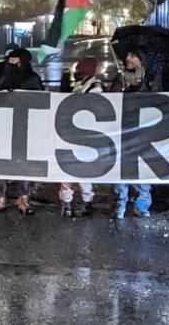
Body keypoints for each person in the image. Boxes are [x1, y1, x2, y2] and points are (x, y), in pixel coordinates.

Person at [0, 48, 44, 215]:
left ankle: (24, 197)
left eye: (14, 61)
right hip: (2, 125)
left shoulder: (32, 78)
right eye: (8, 60)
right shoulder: (1, 74)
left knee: (24, 160)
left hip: (25, 126)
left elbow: (41, 101)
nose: (9, 63)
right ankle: (0, 197)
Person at [114, 50, 156, 219]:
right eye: (127, 55)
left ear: (141, 59)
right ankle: (120, 204)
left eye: (132, 56)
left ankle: (141, 205)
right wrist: (121, 87)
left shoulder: (151, 78)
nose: (127, 59)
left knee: (143, 168)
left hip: (144, 132)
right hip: (124, 130)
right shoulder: (120, 77)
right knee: (122, 168)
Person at [59, 57, 101, 218]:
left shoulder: (95, 87)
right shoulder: (80, 85)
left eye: (79, 71)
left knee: (84, 171)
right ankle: (67, 203)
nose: (76, 73)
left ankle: (86, 202)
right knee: (66, 170)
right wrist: (65, 85)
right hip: (72, 134)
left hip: (87, 136)